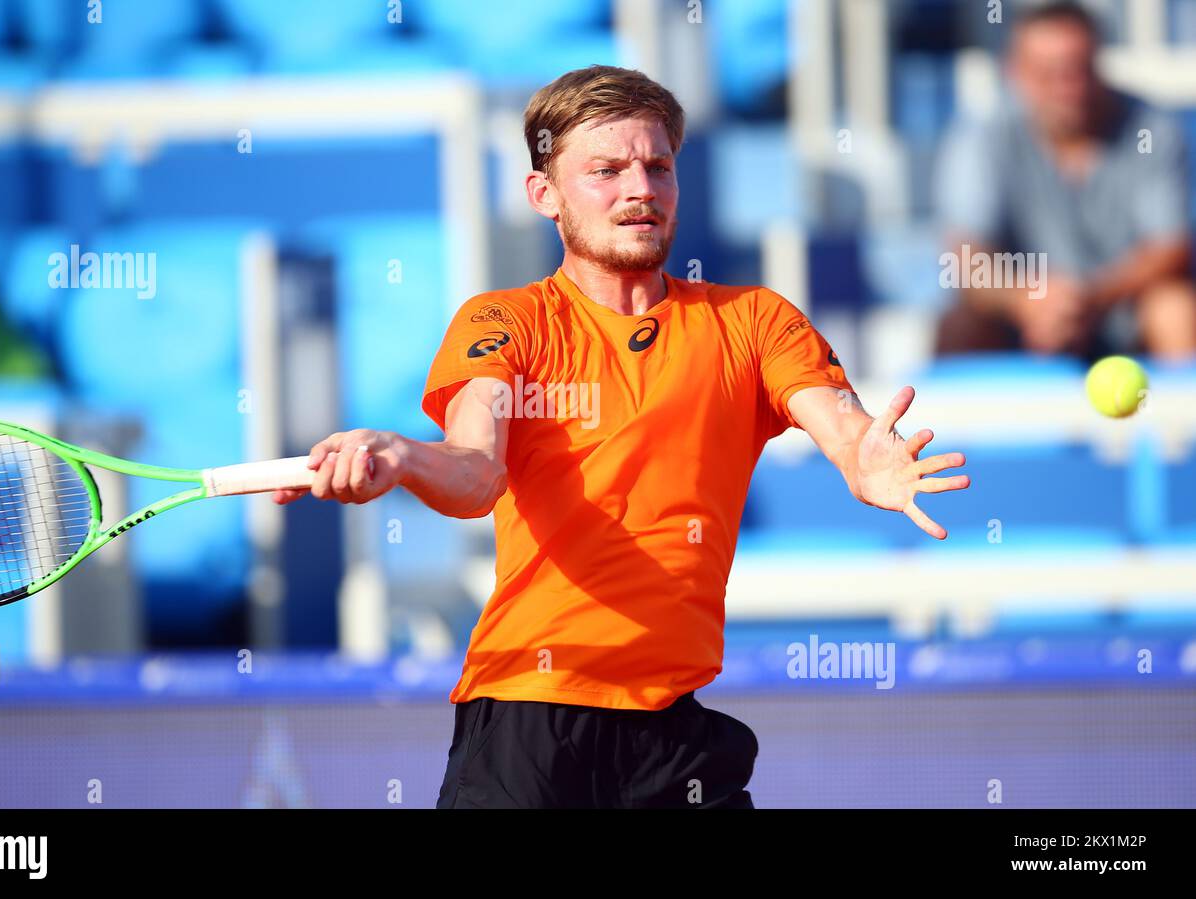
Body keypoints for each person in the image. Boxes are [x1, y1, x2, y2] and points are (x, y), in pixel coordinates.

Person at [273, 65, 969, 808]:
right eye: (606, 171)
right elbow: (475, 471)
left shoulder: (755, 320)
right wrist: (403, 457)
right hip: (529, 718)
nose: (640, 189)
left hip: (674, 735)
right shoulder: (504, 320)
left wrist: (862, 456)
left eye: (658, 167)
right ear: (545, 194)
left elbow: (843, 426)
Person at [935, 1, 1195, 360]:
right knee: (960, 325)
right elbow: (966, 257)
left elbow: (1170, 249)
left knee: (1174, 309)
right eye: (1049, 73)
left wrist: (1090, 298)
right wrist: (1025, 300)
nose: (1068, 87)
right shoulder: (981, 137)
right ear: (1014, 72)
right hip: (1019, 326)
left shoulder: (1151, 130)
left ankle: (1183, 399)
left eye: (1079, 69)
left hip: (1125, 317)